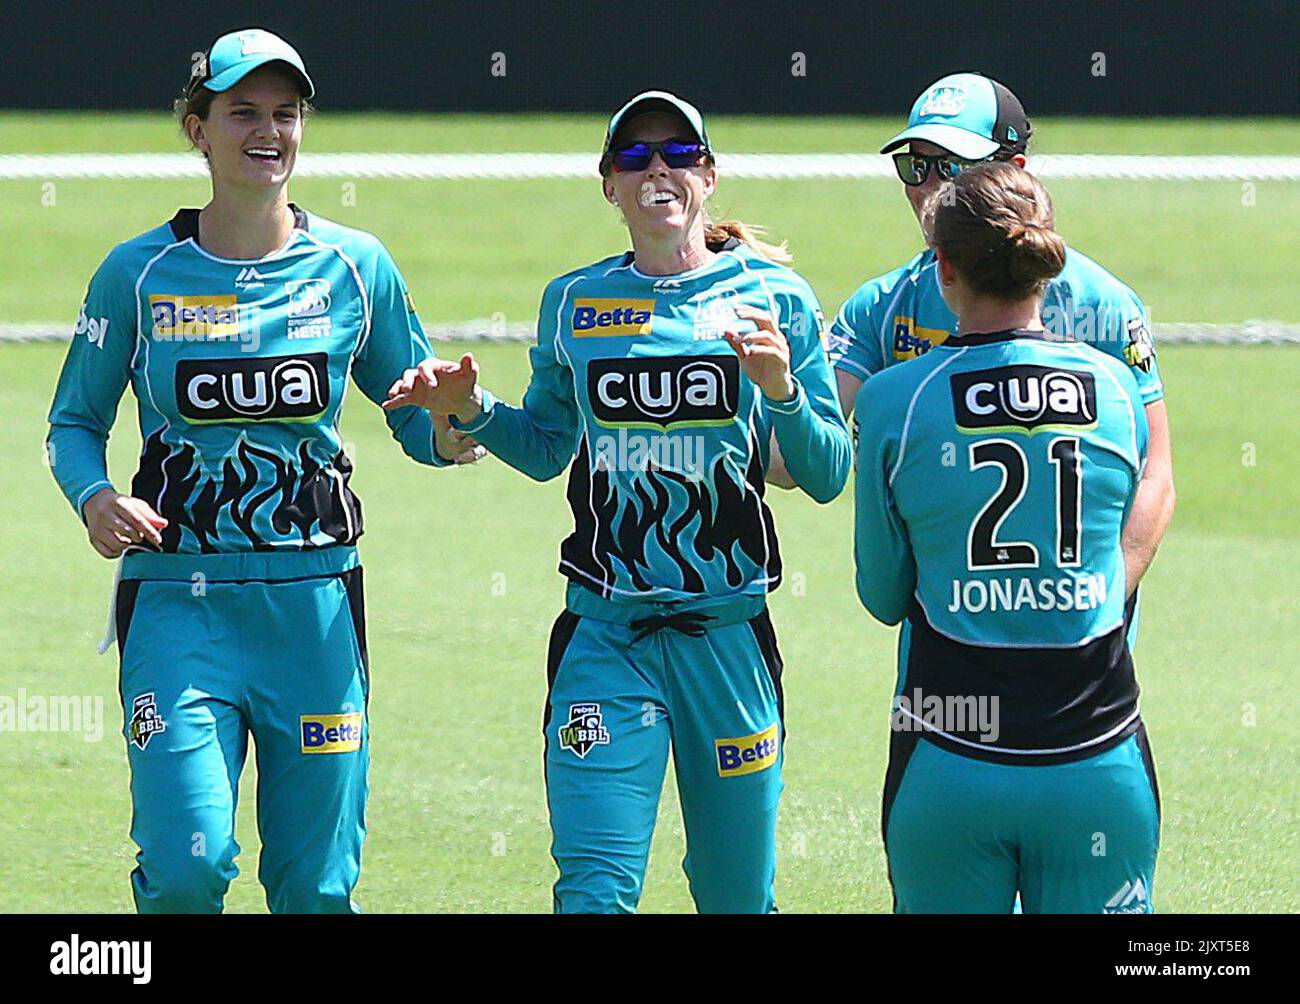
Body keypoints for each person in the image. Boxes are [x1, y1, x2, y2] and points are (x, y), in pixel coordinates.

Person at [384, 91, 852, 913]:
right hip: (606, 639)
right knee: (594, 895)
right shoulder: (574, 303)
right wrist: (471, 410)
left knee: (736, 896)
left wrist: (780, 393)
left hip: (728, 638)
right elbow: (545, 450)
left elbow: (827, 472)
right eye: (635, 157)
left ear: (708, 176)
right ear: (609, 184)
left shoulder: (775, 296)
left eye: (677, 155)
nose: (657, 171)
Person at [45, 28, 477, 913]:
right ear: (198, 130)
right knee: (186, 868)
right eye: (242, 112)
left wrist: (456, 423)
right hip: (178, 607)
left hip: (314, 610)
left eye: (286, 113)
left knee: (316, 888)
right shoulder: (137, 273)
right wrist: (95, 498)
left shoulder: (357, 267)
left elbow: (418, 422)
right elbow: (72, 423)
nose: (267, 132)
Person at [854, 161, 1160, 913]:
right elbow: (1136, 520)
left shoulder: (898, 397)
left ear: (944, 267)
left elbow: (882, 593)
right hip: (1098, 755)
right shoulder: (1114, 390)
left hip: (949, 755)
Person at [775, 73, 1175, 608]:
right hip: (950, 657)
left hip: (1085, 664)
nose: (928, 188)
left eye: (951, 166)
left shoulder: (1100, 305)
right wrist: (772, 390)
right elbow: (795, 465)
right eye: (914, 166)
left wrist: (1097, 612)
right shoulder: (880, 306)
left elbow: (1157, 475)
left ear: (1013, 172)